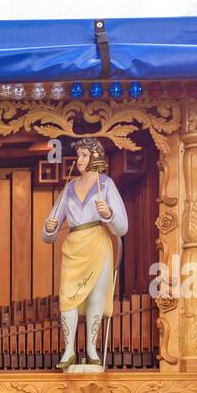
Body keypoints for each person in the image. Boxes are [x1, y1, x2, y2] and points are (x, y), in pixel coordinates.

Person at [41, 137, 128, 369]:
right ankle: (68, 350)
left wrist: (108, 213)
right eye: (78, 155)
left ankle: (91, 348)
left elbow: (122, 227)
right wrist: (49, 229)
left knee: (95, 298)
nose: (79, 160)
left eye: (84, 155)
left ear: (96, 157)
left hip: (98, 244)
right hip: (74, 246)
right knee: (67, 298)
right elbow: (50, 228)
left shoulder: (106, 184)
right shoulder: (69, 188)